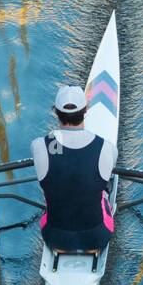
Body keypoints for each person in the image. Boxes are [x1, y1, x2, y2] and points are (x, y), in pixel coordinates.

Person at [31, 85, 116, 254]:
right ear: (86, 110)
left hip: (54, 237)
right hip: (97, 236)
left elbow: (60, 152)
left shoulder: (38, 145)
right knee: (104, 188)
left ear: (56, 112)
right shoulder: (107, 148)